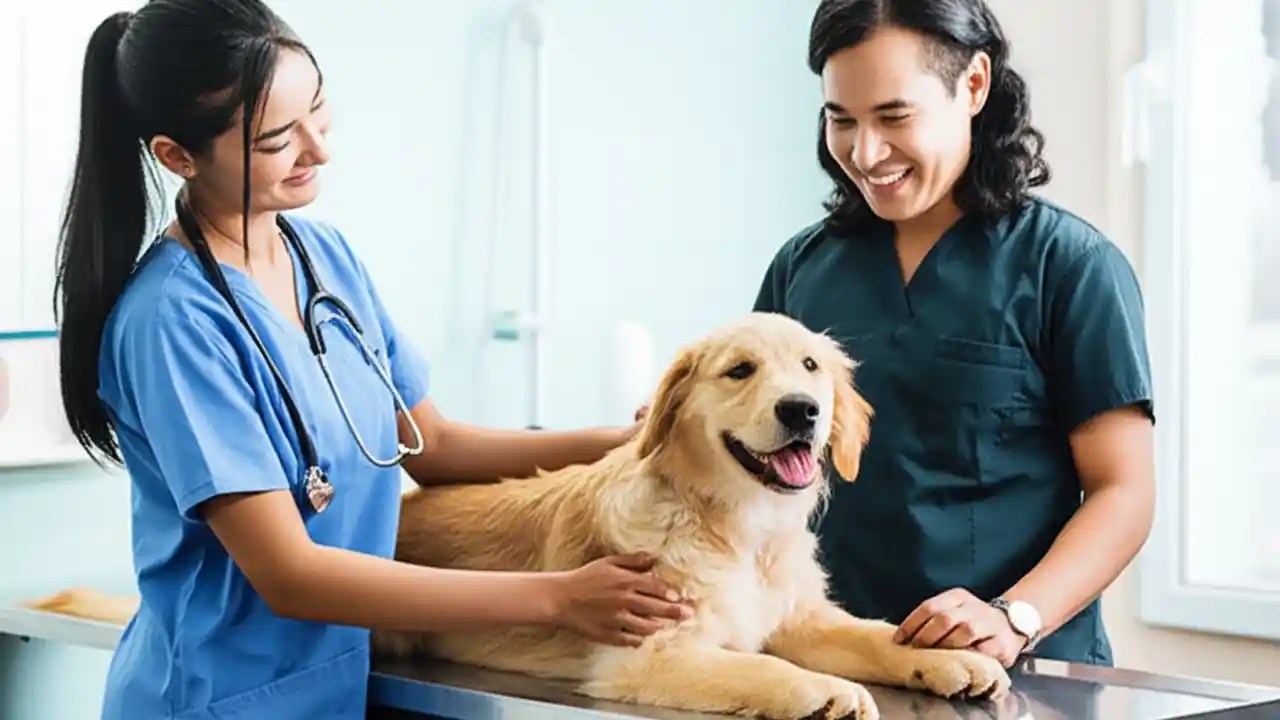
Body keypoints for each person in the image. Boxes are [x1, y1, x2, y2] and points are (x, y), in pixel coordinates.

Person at [54, 2, 689, 718]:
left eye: (318, 112)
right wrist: (557, 597)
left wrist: (630, 442)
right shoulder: (173, 321)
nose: (318, 150)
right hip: (215, 696)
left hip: (332, 685)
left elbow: (436, 446)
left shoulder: (325, 260)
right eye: (277, 140)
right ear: (177, 156)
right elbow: (289, 574)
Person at [753, 0, 1156, 669]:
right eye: (840, 120)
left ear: (973, 85)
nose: (865, 152)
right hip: (832, 666)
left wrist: (1013, 617)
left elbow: (1123, 489)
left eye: (893, 116)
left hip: (1019, 673)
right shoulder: (802, 269)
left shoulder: (1071, 267)